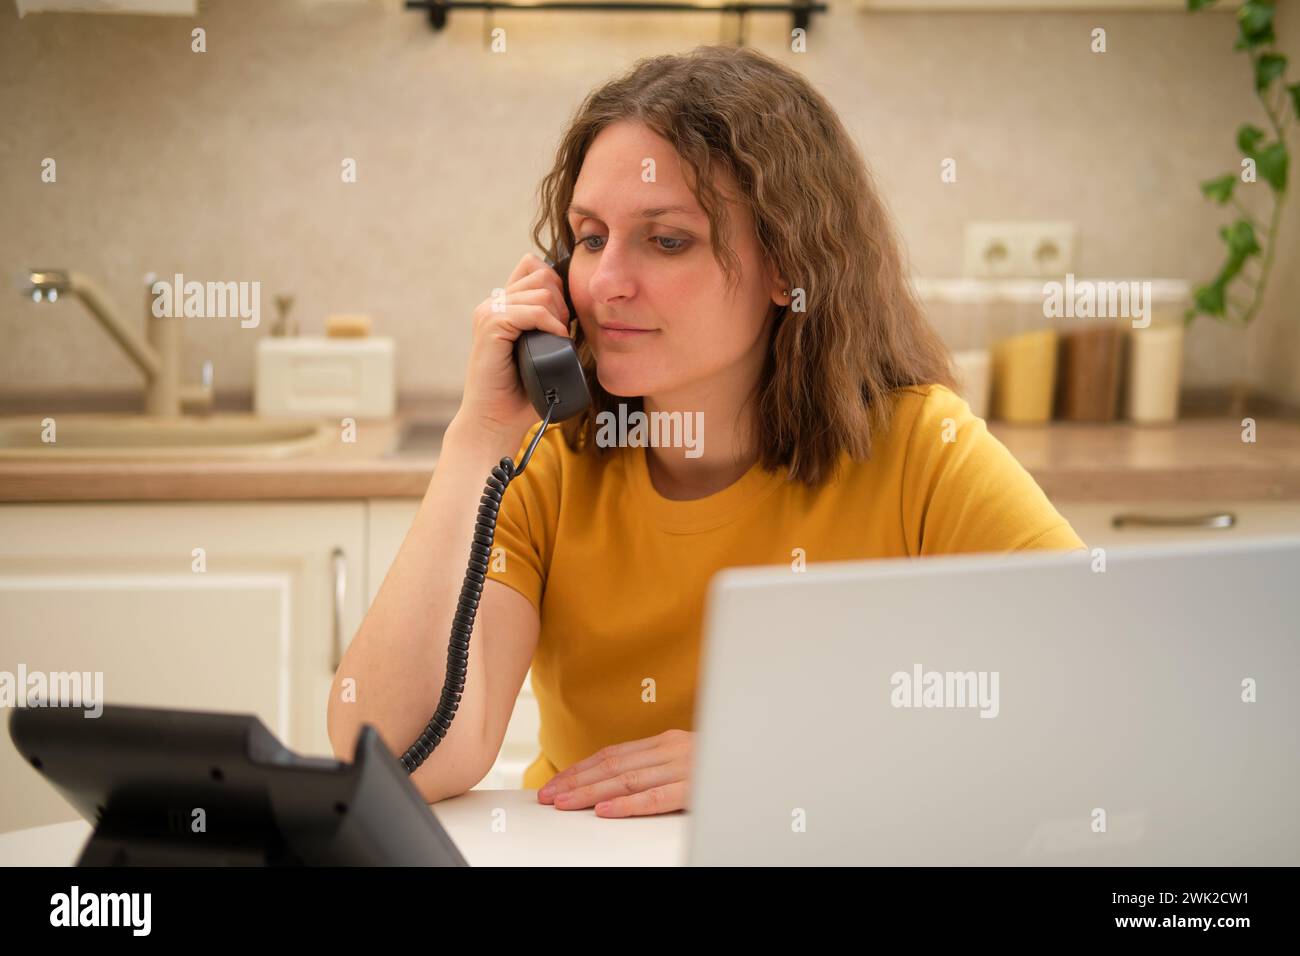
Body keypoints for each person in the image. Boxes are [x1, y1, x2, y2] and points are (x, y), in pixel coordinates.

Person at [328, 45, 1085, 820]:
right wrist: (475, 441)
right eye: (590, 239)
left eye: (666, 241)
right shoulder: (545, 463)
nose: (606, 283)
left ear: (789, 265)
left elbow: (1100, 695)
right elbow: (391, 759)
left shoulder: (923, 449)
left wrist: (775, 758)